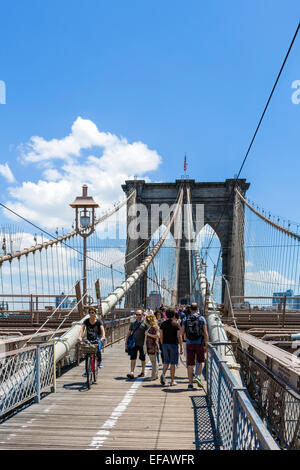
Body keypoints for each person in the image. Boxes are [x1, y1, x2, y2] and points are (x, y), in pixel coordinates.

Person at [180, 302, 208, 390]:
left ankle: (190, 384)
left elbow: (181, 333)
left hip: (189, 344)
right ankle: (198, 377)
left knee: (190, 364)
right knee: (201, 361)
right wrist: (206, 344)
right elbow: (205, 333)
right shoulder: (202, 318)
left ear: (190, 310)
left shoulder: (185, 318)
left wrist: (185, 338)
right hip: (199, 343)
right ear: (198, 309)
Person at [78, 306, 105, 372]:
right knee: (87, 355)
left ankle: (99, 361)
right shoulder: (86, 321)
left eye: (92, 312)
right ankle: (87, 371)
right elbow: (82, 329)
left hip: (98, 339)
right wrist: (79, 336)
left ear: (95, 313)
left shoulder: (98, 322)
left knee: (98, 349)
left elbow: (102, 330)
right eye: (89, 312)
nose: (91, 314)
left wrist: (103, 337)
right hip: (89, 339)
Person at [160, 308, 183, 386]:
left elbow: (161, 336)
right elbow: (179, 336)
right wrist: (181, 346)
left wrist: (162, 344)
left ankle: (163, 374)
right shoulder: (176, 324)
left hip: (165, 344)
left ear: (166, 315)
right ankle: (172, 381)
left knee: (166, 361)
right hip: (173, 345)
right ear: (174, 315)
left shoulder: (163, 324)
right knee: (173, 363)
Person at [125, 309, 147, 379]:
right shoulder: (133, 323)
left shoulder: (145, 324)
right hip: (134, 343)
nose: (137, 316)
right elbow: (129, 333)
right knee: (133, 358)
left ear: (142, 315)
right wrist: (126, 343)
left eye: (139, 314)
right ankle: (132, 372)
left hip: (142, 344)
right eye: (136, 314)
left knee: (142, 358)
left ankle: (143, 372)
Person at [145, 312, 159, 381]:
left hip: (152, 346)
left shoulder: (153, 327)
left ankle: (153, 376)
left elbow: (157, 336)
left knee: (153, 362)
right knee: (154, 361)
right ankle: (156, 375)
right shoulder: (152, 326)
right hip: (151, 345)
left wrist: (148, 334)